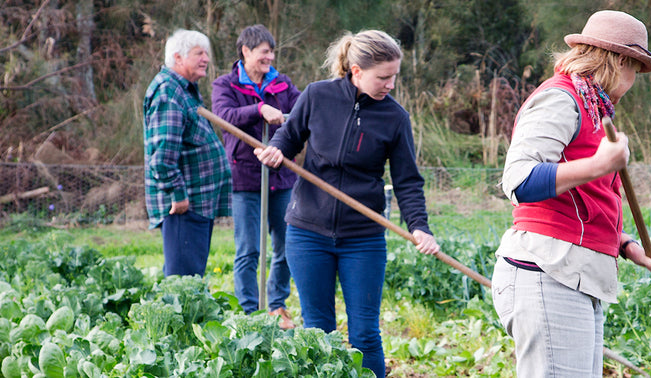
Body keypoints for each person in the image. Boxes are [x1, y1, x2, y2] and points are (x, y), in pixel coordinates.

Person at [490, 10, 651, 377]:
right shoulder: (561, 99)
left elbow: (583, 204)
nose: (633, 81)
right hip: (548, 271)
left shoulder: (593, 108)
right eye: (635, 69)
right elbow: (519, 181)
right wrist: (598, 165)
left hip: (576, 274)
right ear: (620, 61)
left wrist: (628, 246)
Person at [254, 30, 439, 378]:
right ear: (356, 70)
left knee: (365, 335)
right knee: (318, 331)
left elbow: (407, 181)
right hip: (308, 232)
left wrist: (419, 226)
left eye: (394, 76)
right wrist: (277, 150)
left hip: (363, 238)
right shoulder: (317, 96)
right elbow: (289, 135)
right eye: (383, 77)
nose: (391, 84)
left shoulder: (395, 118)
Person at [211, 24, 302, 329]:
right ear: (246, 51)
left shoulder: (283, 84)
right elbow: (225, 116)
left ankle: (277, 305)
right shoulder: (225, 84)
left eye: (272, 52)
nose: (270, 58)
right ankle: (249, 313)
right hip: (245, 177)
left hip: (281, 176)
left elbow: (301, 112)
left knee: (286, 245)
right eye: (264, 52)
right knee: (249, 248)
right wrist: (259, 109)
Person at [143, 29, 232, 277]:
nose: (206, 58)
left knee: (189, 278)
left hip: (196, 203)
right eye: (198, 53)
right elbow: (161, 158)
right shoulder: (169, 93)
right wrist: (178, 194)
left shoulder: (184, 90)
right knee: (183, 283)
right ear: (178, 58)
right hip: (184, 206)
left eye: (206, 53)